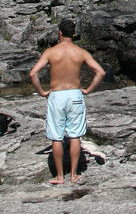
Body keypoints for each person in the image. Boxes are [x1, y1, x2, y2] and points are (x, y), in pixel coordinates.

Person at [28, 19, 106, 185]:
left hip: (57, 94)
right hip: (75, 95)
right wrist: (88, 90)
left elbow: (33, 73)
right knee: (75, 135)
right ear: (74, 34)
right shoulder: (80, 52)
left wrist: (42, 92)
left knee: (57, 137)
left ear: (60, 33)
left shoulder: (51, 52)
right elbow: (100, 72)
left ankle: (59, 176)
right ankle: (74, 174)